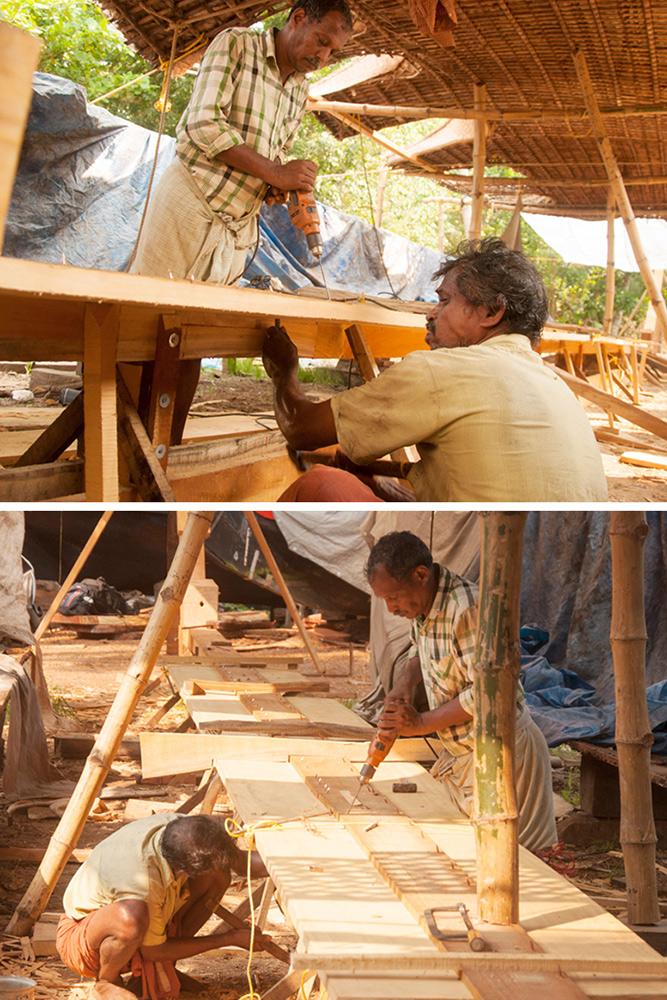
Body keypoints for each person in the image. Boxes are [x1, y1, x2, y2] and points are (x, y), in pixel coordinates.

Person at [131, 0, 353, 443]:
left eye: (333, 52)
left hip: (236, 225)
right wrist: (274, 172)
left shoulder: (297, 91)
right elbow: (201, 126)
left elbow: (267, 160)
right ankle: (117, 444)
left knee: (191, 341)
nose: (323, 57)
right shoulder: (236, 46)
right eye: (321, 41)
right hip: (191, 201)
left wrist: (276, 183)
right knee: (139, 330)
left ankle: (163, 451)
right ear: (297, 19)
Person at [262, 237, 609, 501]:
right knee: (365, 481)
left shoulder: (441, 370)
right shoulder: (553, 384)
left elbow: (301, 430)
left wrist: (284, 371)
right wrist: (384, 482)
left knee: (322, 485)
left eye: (444, 301)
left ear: (491, 312)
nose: (431, 314)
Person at [365, 531, 557, 853]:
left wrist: (421, 724)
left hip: (503, 753)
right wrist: (403, 686)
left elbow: (489, 692)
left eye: (394, 597)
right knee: (472, 856)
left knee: (518, 863)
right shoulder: (425, 607)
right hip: (466, 754)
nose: (391, 608)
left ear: (421, 575)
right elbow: (419, 650)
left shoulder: (466, 608)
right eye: (384, 600)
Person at [56, 813, 271, 999]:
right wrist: (228, 939)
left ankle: (168, 965)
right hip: (85, 941)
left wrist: (291, 863)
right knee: (131, 918)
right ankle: (107, 983)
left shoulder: (182, 829)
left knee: (218, 874)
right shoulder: (143, 883)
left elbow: (241, 863)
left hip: (139, 927)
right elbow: (153, 952)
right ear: (186, 869)